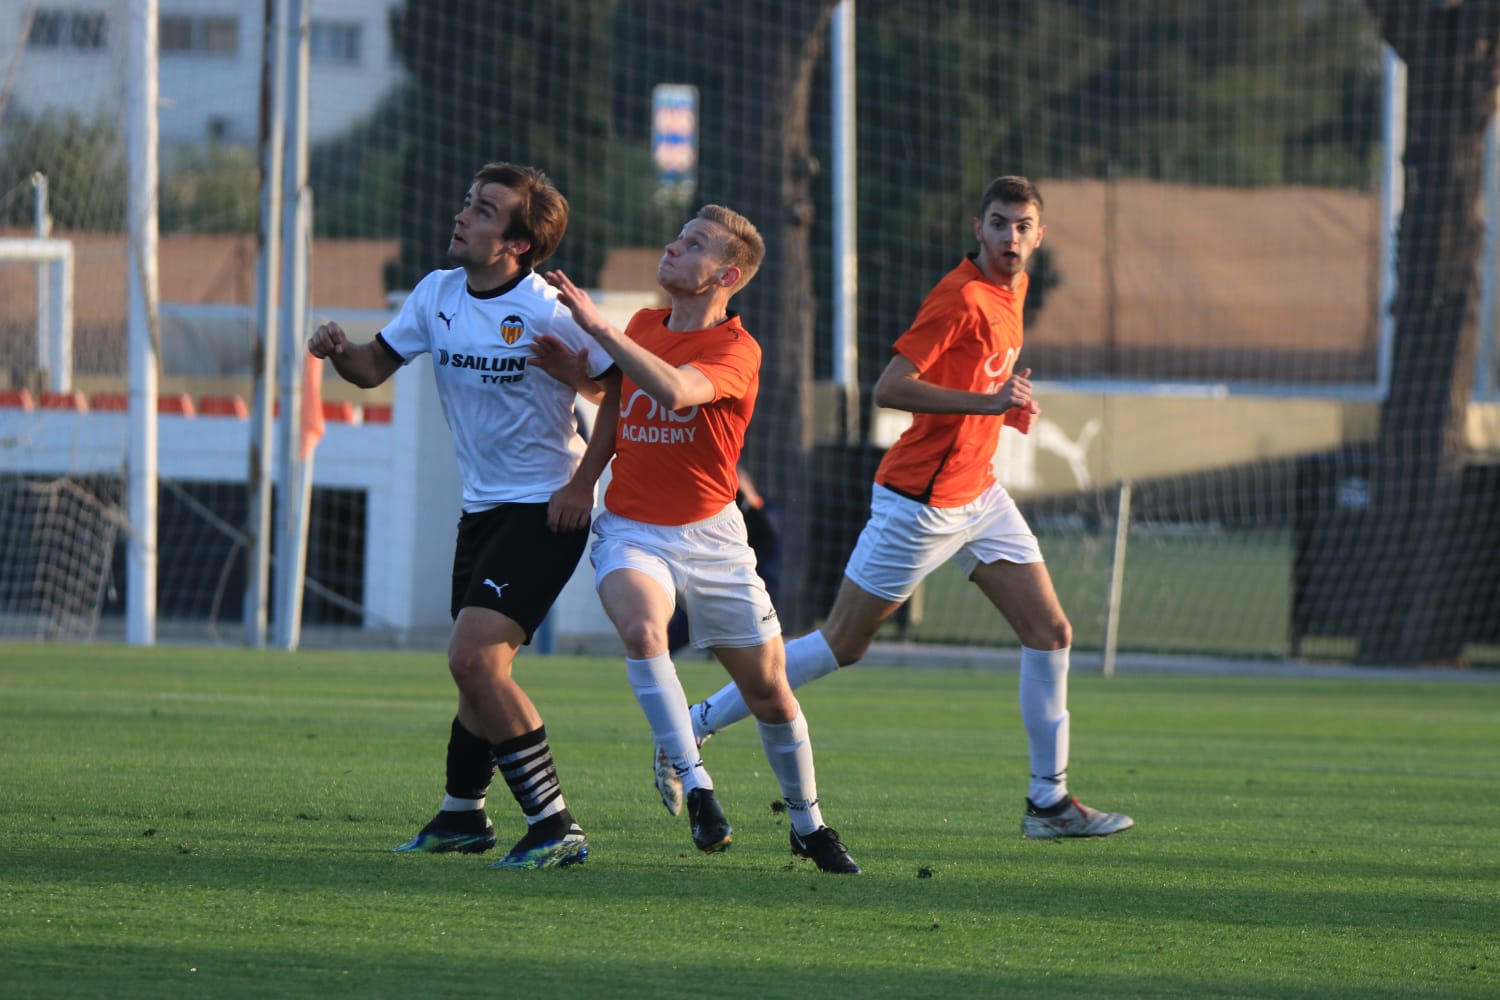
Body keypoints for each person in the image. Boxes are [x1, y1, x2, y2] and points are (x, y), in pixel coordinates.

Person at [681, 176, 1134, 840]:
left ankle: (1048, 802)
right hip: (919, 503)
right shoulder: (960, 297)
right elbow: (892, 388)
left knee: (1051, 632)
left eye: (1023, 226)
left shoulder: (1016, 289)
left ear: (1039, 236)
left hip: (977, 492)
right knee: (842, 645)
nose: (1010, 237)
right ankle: (696, 724)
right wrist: (989, 403)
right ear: (977, 230)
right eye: (999, 223)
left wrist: (1005, 401)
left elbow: (978, 381)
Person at [532, 205, 861, 873]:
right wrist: (582, 477)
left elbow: (679, 391)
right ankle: (698, 781)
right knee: (642, 632)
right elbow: (622, 407)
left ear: (726, 274)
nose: (673, 249)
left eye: (693, 245)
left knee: (771, 691)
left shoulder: (738, 349)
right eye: (678, 238)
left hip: (713, 538)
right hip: (631, 528)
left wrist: (598, 333)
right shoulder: (645, 326)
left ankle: (807, 823)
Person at [306, 162, 613, 869]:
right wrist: (339, 352)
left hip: (546, 509)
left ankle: (555, 824)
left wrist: (582, 486)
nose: (463, 215)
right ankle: (461, 817)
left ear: (517, 246)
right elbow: (372, 370)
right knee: (481, 672)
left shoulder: (551, 309)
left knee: (472, 659)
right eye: (469, 203)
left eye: (484, 211)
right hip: (482, 512)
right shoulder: (437, 293)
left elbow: (620, 397)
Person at [667, 465, 782, 655]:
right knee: (678, 631)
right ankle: (652, 659)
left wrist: (753, 501)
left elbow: (773, 530)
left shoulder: (760, 508)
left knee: (764, 650)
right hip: (708, 581)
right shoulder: (710, 508)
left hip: (752, 587)